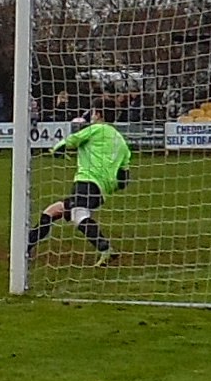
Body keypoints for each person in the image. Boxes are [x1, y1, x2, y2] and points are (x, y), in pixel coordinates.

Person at [26, 108, 132, 266]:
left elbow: (72, 140)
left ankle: (105, 248)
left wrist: (57, 149)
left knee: (78, 214)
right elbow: (124, 177)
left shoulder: (96, 129)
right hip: (102, 190)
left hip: (87, 180)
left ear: (98, 114)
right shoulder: (121, 141)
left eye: (94, 112)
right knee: (53, 211)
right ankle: (27, 246)